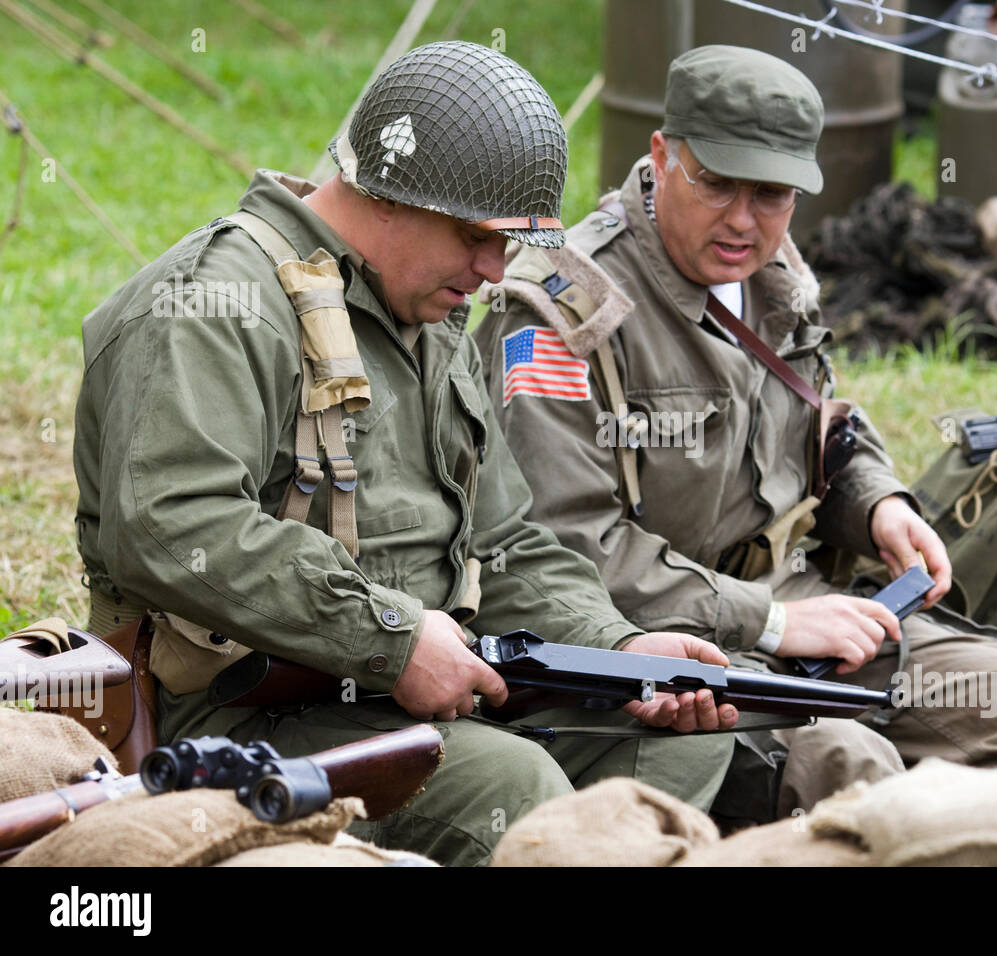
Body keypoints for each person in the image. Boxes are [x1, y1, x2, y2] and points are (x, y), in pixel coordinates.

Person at [71, 41, 737, 867]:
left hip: (414, 689)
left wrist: (614, 646)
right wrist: (390, 636)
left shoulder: (426, 319)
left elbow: (503, 541)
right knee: (513, 784)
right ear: (386, 195)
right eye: (474, 237)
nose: (494, 271)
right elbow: (171, 523)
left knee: (677, 747)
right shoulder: (218, 303)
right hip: (235, 714)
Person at [476, 44, 997, 813]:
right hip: (644, 646)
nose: (742, 219)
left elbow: (818, 422)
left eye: (772, 193)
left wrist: (877, 503)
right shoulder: (561, 315)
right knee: (847, 765)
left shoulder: (770, 277)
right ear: (663, 155)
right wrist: (767, 623)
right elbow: (559, 549)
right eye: (717, 184)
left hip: (787, 603)